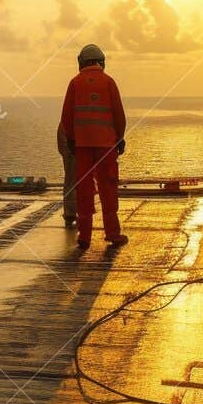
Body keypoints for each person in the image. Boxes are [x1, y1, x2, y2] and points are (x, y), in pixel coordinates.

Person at [60, 44, 128, 251]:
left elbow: (66, 118)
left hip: (82, 146)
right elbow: (119, 115)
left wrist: (73, 141)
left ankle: (85, 237)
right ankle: (113, 234)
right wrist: (120, 138)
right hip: (106, 146)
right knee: (108, 188)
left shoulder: (75, 83)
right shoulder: (109, 82)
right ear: (101, 62)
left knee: (84, 190)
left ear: (81, 62)